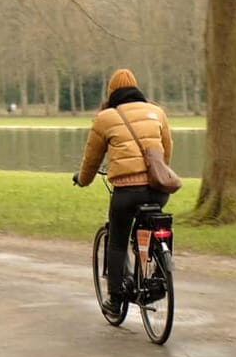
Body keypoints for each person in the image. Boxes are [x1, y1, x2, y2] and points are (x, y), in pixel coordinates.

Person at [72, 69, 173, 317]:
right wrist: (159, 176)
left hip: (127, 191)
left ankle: (116, 300)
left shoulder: (106, 118)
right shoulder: (156, 112)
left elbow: (92, 160)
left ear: (111, 92)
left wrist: (82, 180)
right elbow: (166, 151)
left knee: (117, 241)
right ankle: (160, 274)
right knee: (157, 225)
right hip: (159, 189)